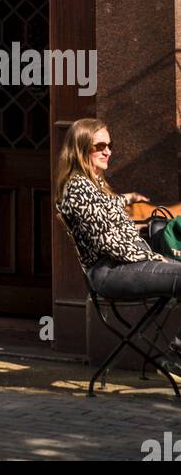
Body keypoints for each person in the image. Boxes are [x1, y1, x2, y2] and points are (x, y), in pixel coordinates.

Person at [56, 118, 181, 371]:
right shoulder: (78, 189)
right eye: (99, 146)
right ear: (80, 149)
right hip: (110, 272)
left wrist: (130, 199)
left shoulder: (95, 185)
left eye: (109, 145)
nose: (108, 151)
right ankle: (178, 356)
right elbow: (108, 243)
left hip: (124, 266)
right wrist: (156, 257)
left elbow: (109, 213)